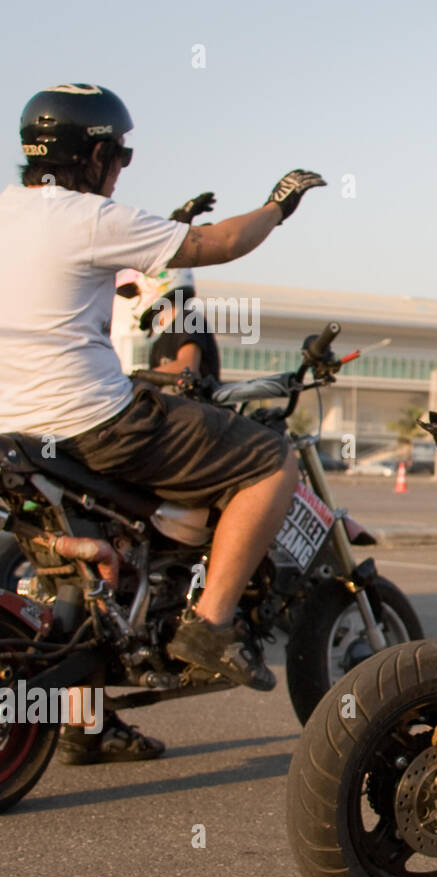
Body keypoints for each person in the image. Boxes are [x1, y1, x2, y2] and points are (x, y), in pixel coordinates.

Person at [2, 83, 324, 762]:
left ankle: (87, 727)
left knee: (82, 577)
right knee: (269, 461)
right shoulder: (87, 216)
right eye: (118, 152)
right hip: (93, 421)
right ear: (90, 155)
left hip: (16, 434)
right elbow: (220, 242)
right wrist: (279, 204)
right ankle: (210, 623)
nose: (121, 165)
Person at [113, 191, 222, 380]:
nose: (136, 299)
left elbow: (187, 367)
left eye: (136, 292)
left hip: (196, 408)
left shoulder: (188, 320)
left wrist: (132, 379)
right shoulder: (158, 340)